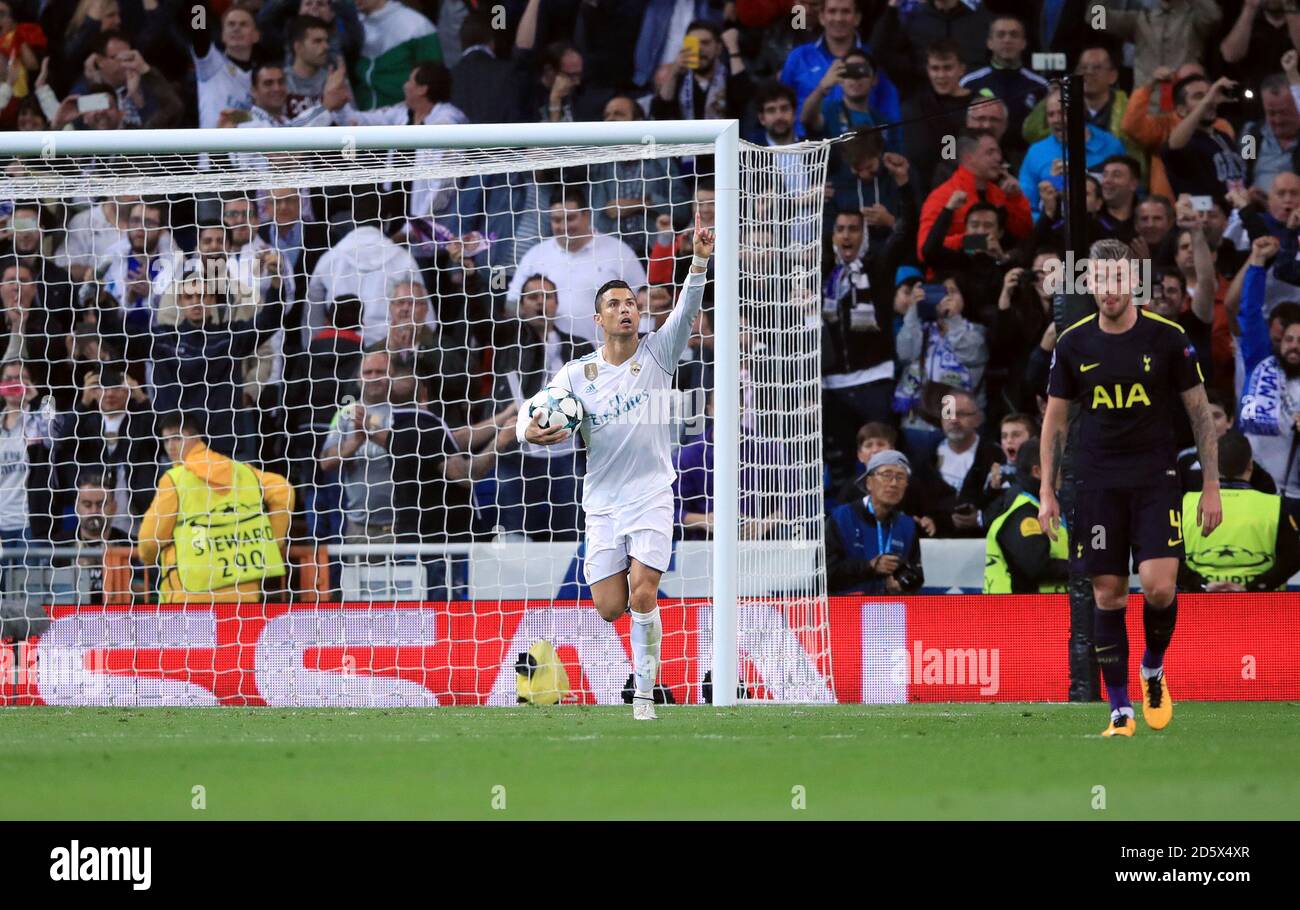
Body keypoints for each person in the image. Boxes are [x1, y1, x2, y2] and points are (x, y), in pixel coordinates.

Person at [516, 213, 714, 720]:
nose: (626, 310)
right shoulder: (578, 373)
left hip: (652, 492)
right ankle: (638, 654)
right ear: (598, 319)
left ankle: (645, 695)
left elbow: (688, 311)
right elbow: (535, 411)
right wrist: (527, 430)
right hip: (602, 501)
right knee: (609, 605)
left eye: (631, 303)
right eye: (614, 305)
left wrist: (698, 262)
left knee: (644, 592)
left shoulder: (658, 353)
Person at [1039, 238, 1223, 737]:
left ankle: (1153, 668)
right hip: (1097, 481)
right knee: (1109, 595)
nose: (1110, 290)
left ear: (1133, 283)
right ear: (1091, 284)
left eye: (1119, 280)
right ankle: (1120, 710)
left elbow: (1200, 412)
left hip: (1155, 477)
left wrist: (1210, 484)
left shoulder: (1166, 337)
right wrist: (1048, 491)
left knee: (1160, 588)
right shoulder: (1074, 343)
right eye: (1100, 281)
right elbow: (1055, 422)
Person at [139, 413, 293, 604]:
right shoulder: (242, 472)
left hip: (187, 598)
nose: (170, 446)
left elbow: (149, 541)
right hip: (243, 598)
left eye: (177, 438)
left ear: (196, 438)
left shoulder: (174, 479)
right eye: (166, 440)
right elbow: (283, 489)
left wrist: (147, 557)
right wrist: (272, 541)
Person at [1179, 430, 1300, 592]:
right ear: (1250, 466)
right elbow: (1293, 559)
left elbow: (1166, 559)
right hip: (1263, 610)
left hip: (1198, 608)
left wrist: (1202, 585)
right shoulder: (1275, 506)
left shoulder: (1184, 504)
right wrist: (1254, 587)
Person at [825, 449, 924, 595]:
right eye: (886, 475)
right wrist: (870, 566)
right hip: (847, 611)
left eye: (900, 477)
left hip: (891, 612)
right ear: (869, 482)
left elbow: (917, 577)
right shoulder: (841, 517)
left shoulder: (907, 525)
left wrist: (900, 587)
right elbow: (824, 574)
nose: (893, 483)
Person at [984, 437, 1069, 594]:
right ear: (1037, 471)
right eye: (1058, 465)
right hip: (1015, 612)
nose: (1064, 470)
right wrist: (1084, 567)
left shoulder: (1041, 506)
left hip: (1039, 610)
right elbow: (1036, 567)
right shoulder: (1022, 513)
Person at [351, 0, 441, 110]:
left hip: (404, 117)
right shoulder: (351, 26)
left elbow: (434, 84)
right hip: (361, 117)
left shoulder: (417, 26)